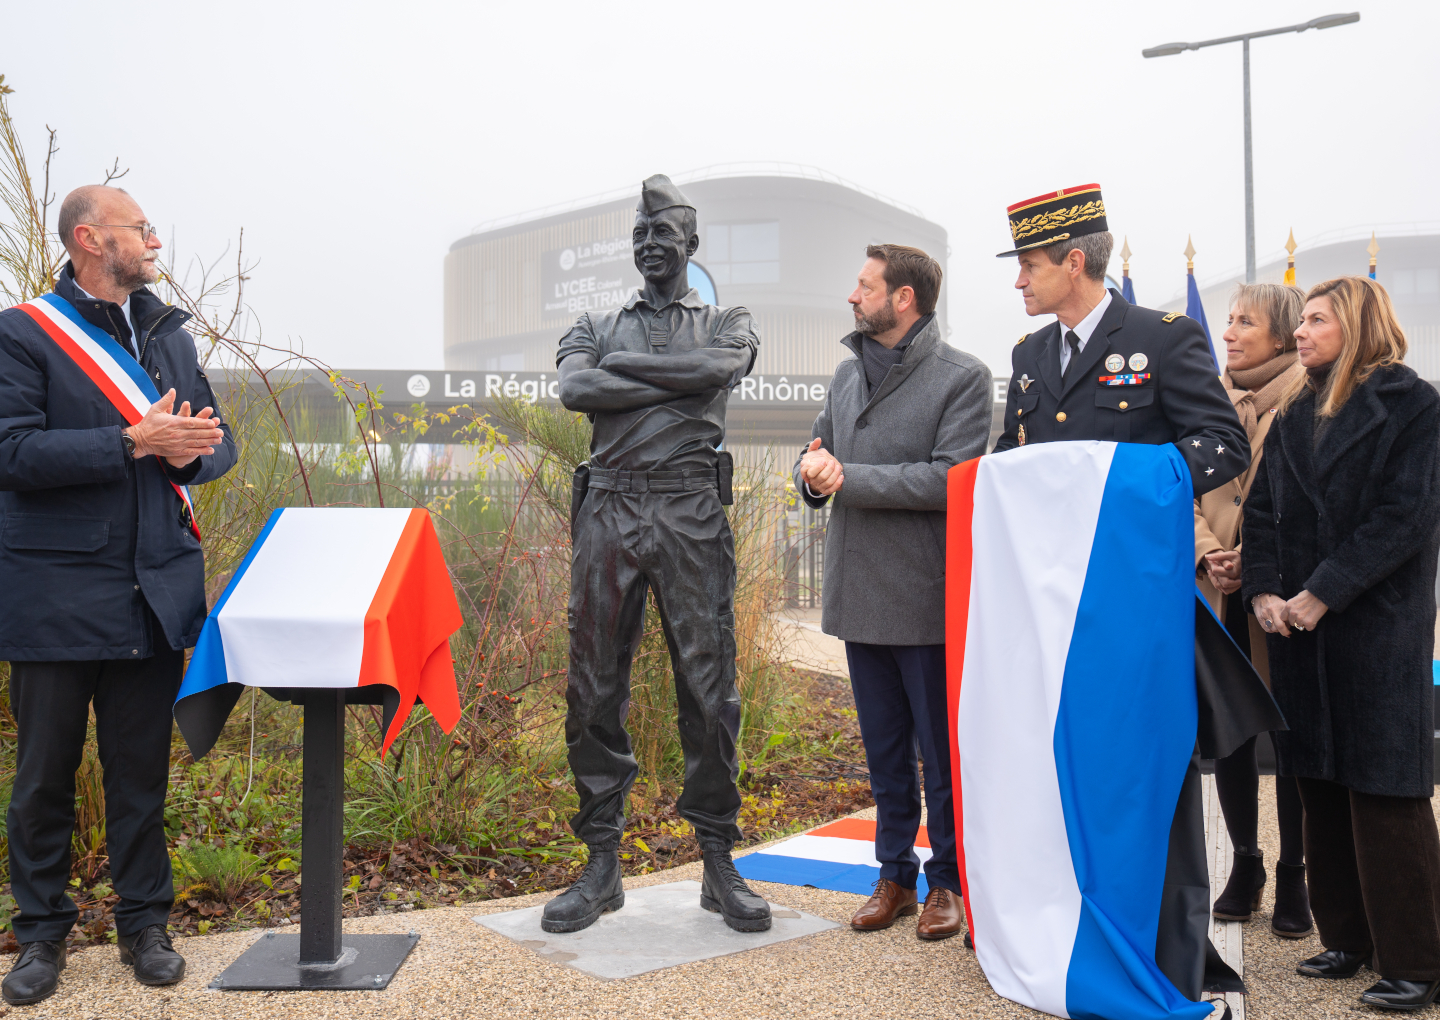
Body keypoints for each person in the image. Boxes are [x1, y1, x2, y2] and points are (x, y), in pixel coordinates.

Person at [992, 184, 1262, 1004]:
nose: (1018, 283)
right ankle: (1064, 917)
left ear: (1075, 262)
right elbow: (1015, 458)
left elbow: (1223, 444)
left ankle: (1162, 941)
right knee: (1064, 762)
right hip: (1057, 611)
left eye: (1029, 266)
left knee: (1149, 776)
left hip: (1138, 607)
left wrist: (1130, 487)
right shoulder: (1030, 357)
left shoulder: (1160, 339)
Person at [0, 185, 237, 1005]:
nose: (156, 240)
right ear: (90, 238)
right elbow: (13, 453)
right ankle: (39, 937)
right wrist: (134, 439)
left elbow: (218, 441)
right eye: (143, 229)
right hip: (55, 593)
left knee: (140, 777)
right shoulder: (22, 333)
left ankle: (144, 925)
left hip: (154, 591)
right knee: (42, 780)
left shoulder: (168, 334)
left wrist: (187, 454)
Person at [545, 175, 771, 935]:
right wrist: (658, 386)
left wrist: (626, 379)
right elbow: (576, 391)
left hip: (689, 510)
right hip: (609, 506)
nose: (649, 245)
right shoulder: (594, 322)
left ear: (689, 245)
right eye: (639, 236)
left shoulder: (726, 319)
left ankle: (717, 861)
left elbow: (716, 372)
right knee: (592, 685)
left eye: (662, 235)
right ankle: (601, 864)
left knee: (710, 689)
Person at [1243, 276, 1440, 1012]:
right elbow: (1261, 509)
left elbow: (1406, 516)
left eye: (1317, 320)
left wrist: (1323, 590)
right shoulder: (1296, 408)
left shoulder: (1413, 404)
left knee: (1386, 792)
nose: (1301, 331)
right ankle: (1349, 939)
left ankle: (1416, 960)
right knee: (1319, 785)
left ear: (1356, 324)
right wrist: (1263, 590)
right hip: (1297, 629)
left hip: (1373, 627)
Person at [793, 245, 992, 941]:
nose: (853, 295)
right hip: (858, 594)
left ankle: (948, 884)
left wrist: (849, 477)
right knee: (882, 753)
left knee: (940, 755)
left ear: (903, 298)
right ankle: (894, 877)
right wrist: (810, 473)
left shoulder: (963, 377)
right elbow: (817, 450)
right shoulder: (847, 375)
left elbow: (952, 480)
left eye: (865, 284)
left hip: (923, 597)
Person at [1195, 283, 1312, 938]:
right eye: (1229, 320)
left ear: (1281, 335)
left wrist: (1258, 559)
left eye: (1247, 322)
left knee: (1290, 739)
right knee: (1232, 733)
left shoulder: (1311, 399)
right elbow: (1177, 486)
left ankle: (1296, 871)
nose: (1231, 332)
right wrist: (1210, 552)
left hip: (1281, 598)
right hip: (1217, 592)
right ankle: (1247, 864)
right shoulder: (1205, 402)